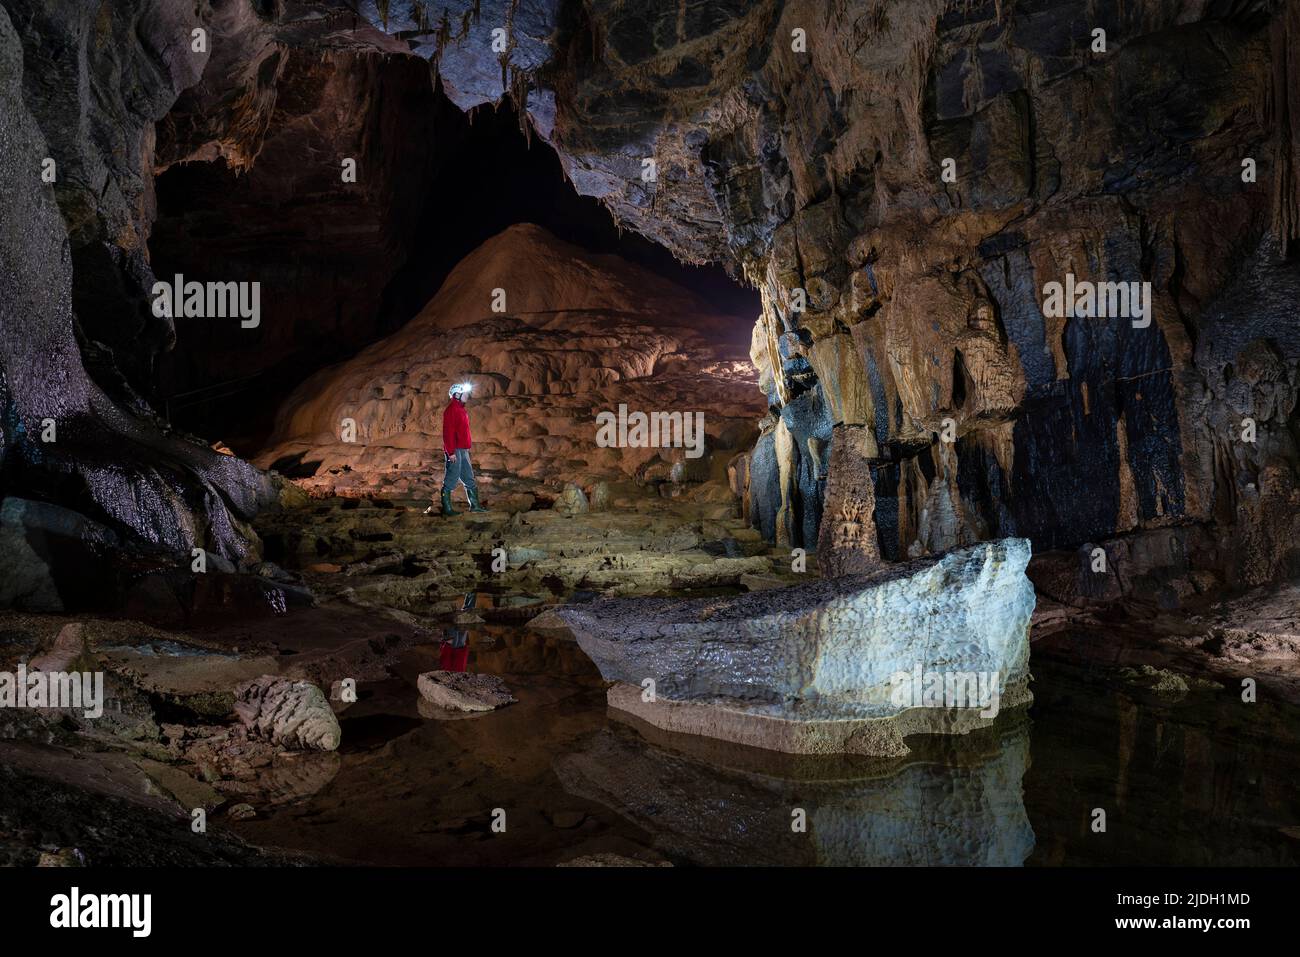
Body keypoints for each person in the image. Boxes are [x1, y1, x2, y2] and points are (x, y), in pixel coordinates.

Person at [436, 381, 487, 515]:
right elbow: (448, 433)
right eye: (464, 393)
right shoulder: (451, 410)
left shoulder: (461, 410)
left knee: (469, 477)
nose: (467, 396)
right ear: (457, 394)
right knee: (452, 476)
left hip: (463, 449)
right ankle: (447, 509)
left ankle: (475, 505)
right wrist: (450, 452)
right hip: (455, 450)